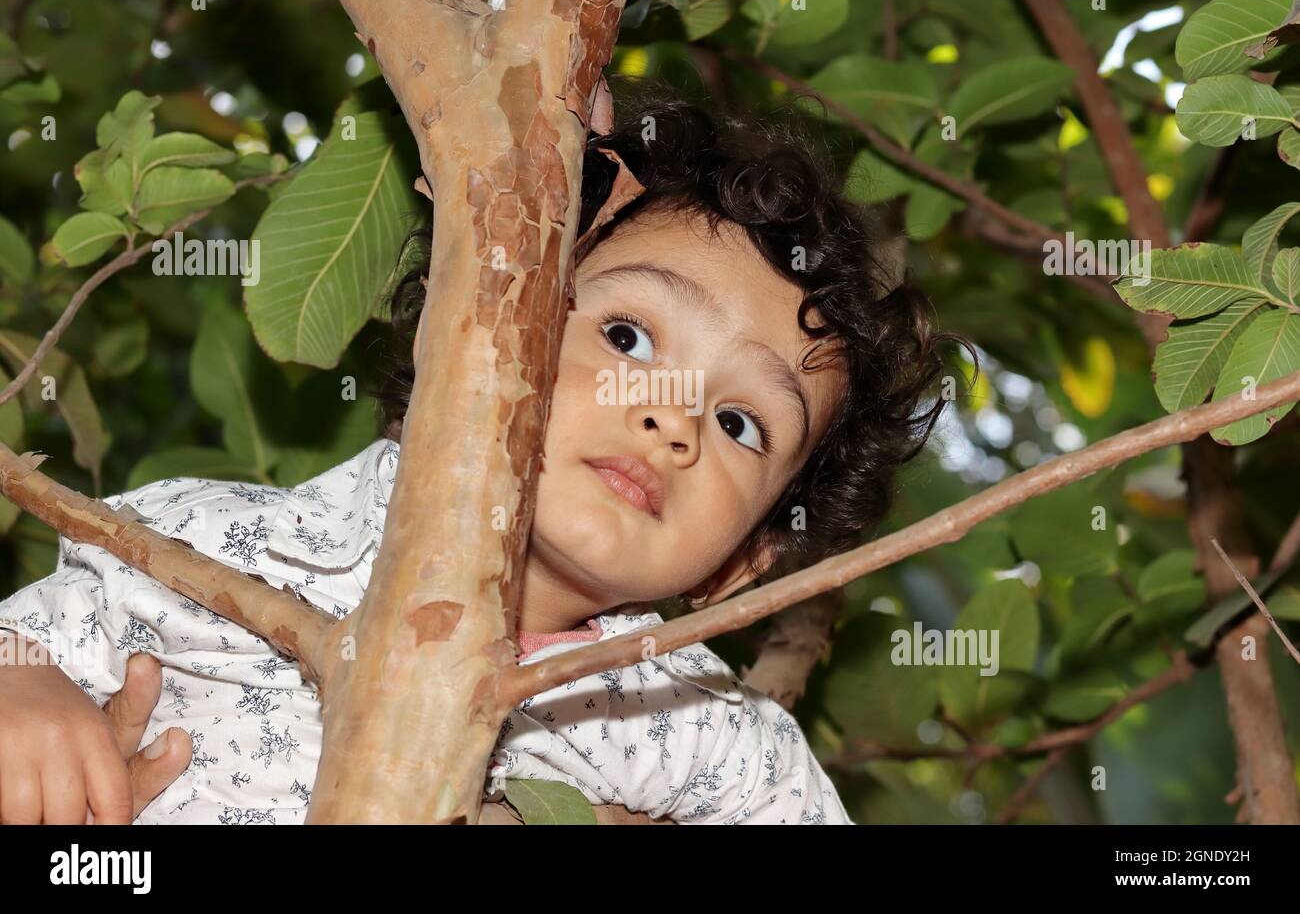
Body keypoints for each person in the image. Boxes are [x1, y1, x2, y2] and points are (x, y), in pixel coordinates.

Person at [0, 78, 962, 824]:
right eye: (629, 339)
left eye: (741, 425)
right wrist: (24, 698)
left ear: (747, 560)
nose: (674, 418)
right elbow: (33, 636)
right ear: (480, 331)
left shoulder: (699, 732)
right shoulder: (219, 548)